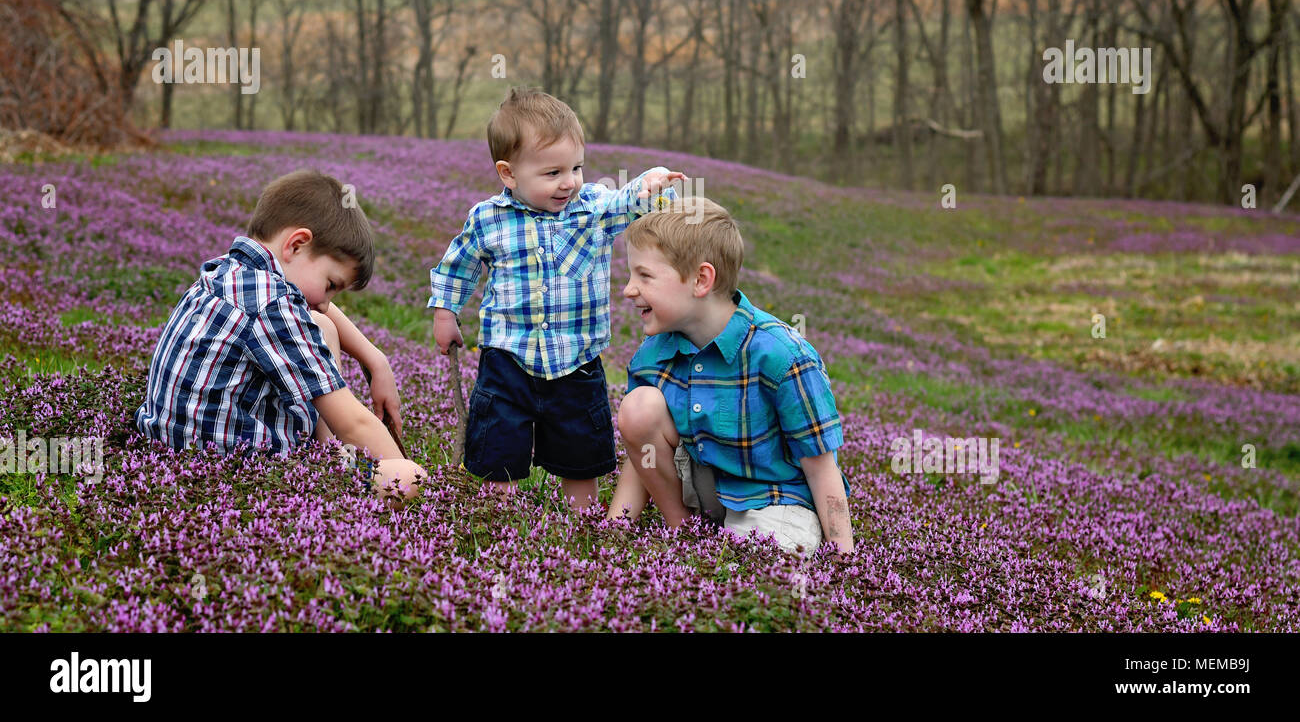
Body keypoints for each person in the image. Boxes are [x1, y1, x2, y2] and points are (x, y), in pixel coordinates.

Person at [429, 86, 684, 509]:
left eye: (576, 167)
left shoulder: (593, 207)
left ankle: (577, 523)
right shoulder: (488, 218)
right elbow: (459, 265)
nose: (569, 182)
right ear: (508, 174)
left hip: (577, 362)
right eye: (552, 173)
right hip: (507, 358)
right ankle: (499, 519)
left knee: (580, 455)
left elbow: (628, 202)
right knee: (498, 449)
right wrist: (445, 313)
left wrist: (651, 185)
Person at [134, 168, 427, 501]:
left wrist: (375, 359)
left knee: (322, 324)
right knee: (409, 479)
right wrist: (400, 467)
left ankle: (329, 455)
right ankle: (329, 469)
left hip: (165, 449)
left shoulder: (230, 271)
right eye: (330, 285)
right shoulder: (272, 304)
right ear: (298, 244)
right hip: (234, 473)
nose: (324, 301)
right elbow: (355, 424)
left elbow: (317, 310)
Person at [607, 197, 853, 555]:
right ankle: (685, 534)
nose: (628, 289)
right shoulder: (653, 354)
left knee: (755, 575)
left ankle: (723, 546)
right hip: (704, 492)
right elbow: (639, 454)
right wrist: (614, 530)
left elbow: (820, 467)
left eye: (644, 275)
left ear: (701, 280)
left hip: (773, 498)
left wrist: (844, 559)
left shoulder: (782, 356)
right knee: (637, 407)